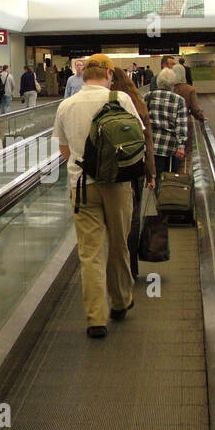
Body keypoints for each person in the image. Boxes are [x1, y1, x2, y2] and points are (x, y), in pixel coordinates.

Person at [53, 54, 144, 339]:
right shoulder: (120, 100)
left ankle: (95, 318)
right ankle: (120, 301)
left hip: (82, 186)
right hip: (117, 184)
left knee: (90, 252)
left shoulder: (66, 105)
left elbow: (64, 150)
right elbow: (138, 137)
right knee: (119, 245)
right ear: (108, 75)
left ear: (82, 76)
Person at [109, 67, 156, 279]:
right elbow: (148, 140)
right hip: (136, 165)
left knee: (114, 217)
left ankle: (116, 266)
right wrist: (151, 172)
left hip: (112, 168)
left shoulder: (108, 102)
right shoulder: (138, 103)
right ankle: (132, 267)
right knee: (134, 216)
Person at [146, 68, 188, 176]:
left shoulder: (149, 96)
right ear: (173, 83)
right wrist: (181, 146)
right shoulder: (179, 100)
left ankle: (156, 192)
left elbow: (142, 119)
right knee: (169, 178)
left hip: (152, 144)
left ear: (158, 81)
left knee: (155, 175)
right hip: (171, 146)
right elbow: (181, 124)